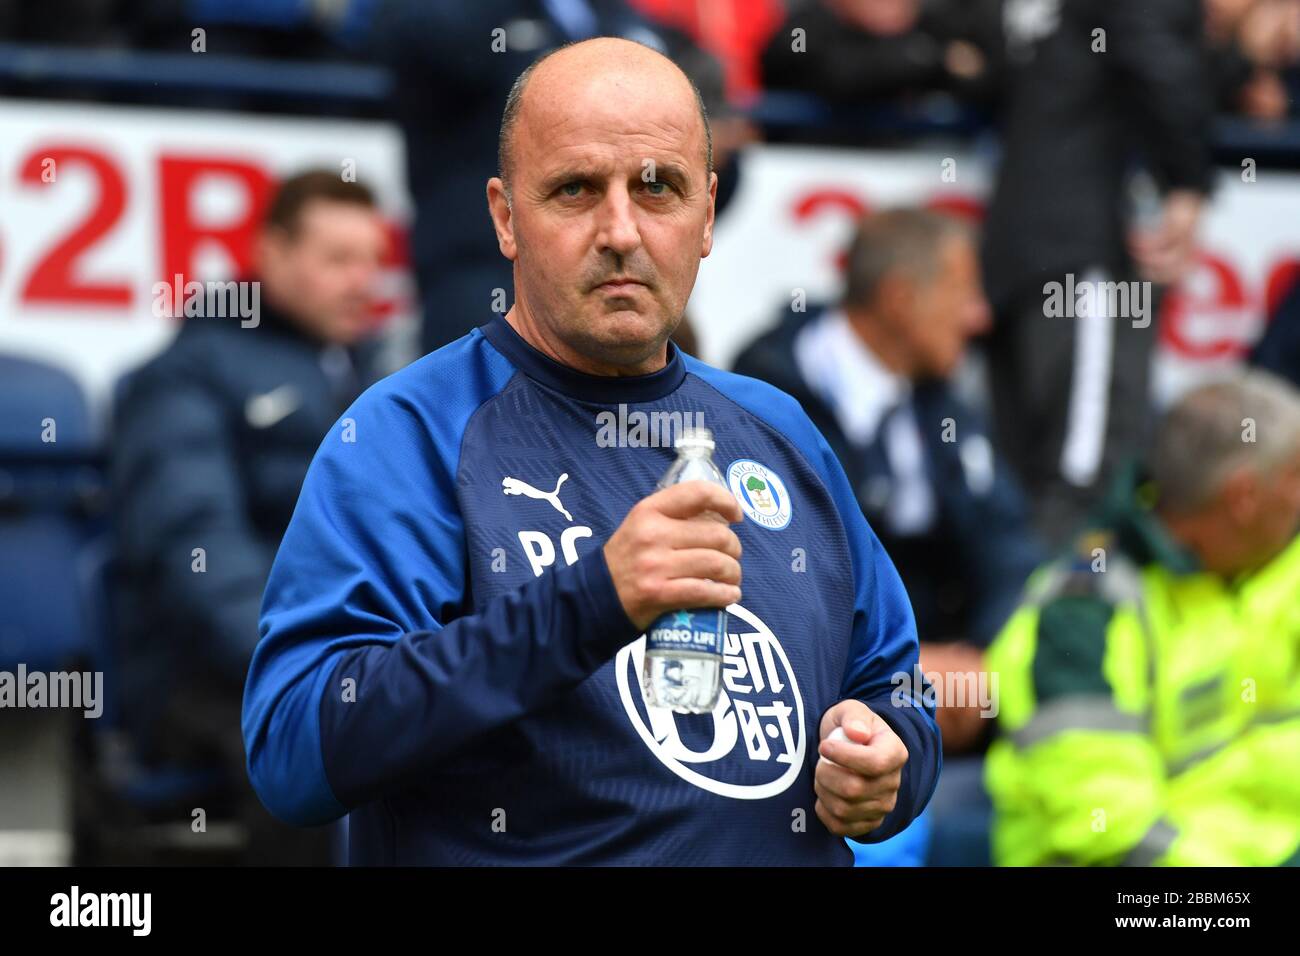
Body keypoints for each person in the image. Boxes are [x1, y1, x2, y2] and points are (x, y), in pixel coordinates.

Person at [243, 37, 941, 865]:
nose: (621, 230)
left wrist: (887, 757)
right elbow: (293, 754)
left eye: (659, 188)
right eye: (575, 189)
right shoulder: (408, 433)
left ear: (707, 214)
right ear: (505, 217)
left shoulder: (782, 430)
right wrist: (589, 604)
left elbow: (896, 690)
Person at [110, 170, 388, 864]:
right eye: (337, 260)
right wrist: (304, 657)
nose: (362, 282)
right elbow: (195, 547)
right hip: (207, 671)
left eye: (372, 262)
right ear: (269, 255)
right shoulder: (185, 375)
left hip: (347, 657)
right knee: (319, 751)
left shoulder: (377, 381)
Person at [984, 370, 1300, 866]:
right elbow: (1107, 827)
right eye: (1294, 476)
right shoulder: (1082, 619)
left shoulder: (1275, 559)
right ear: (1243, 497)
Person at [980, 0, 1215, 547]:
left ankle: (1012, 622)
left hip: (1031, 253)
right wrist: (1187, 180)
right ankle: (1057, 628)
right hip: (1086, 259)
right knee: (1086, 476)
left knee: (1036, 474)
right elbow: (1158, 59)